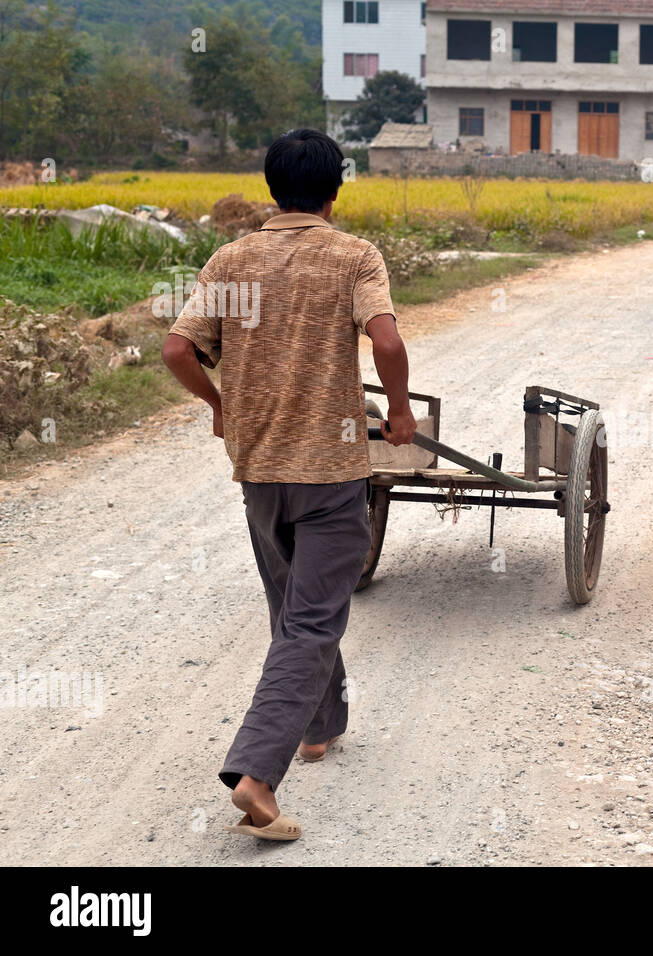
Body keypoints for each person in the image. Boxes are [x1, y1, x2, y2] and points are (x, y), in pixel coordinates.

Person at [161, 128, 417, 841]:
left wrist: (220, 407)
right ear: (336, 189)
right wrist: (397, 411)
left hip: (259, 468)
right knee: (310, 620)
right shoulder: (352, 257)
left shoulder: (233, 260)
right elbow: (387, 340)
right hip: (331, 471)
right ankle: (257, 777)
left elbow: (177, 348)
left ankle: (318, 727)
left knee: (297, 608)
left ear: (272, 187)